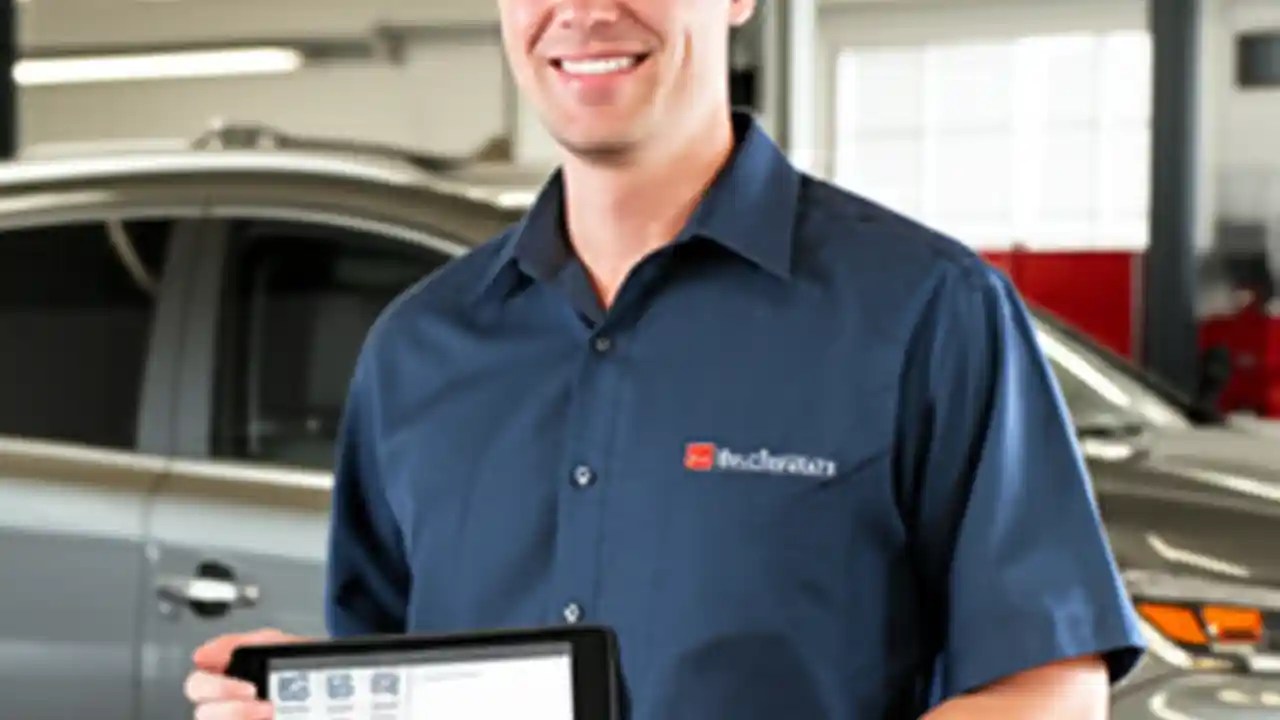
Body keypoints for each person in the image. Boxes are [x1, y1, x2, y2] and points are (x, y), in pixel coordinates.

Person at [184, 0, 1147, 718]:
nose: (588, 12)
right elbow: (392, 669)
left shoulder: (926, 310)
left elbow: (1046, 684)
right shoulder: (418, 349)